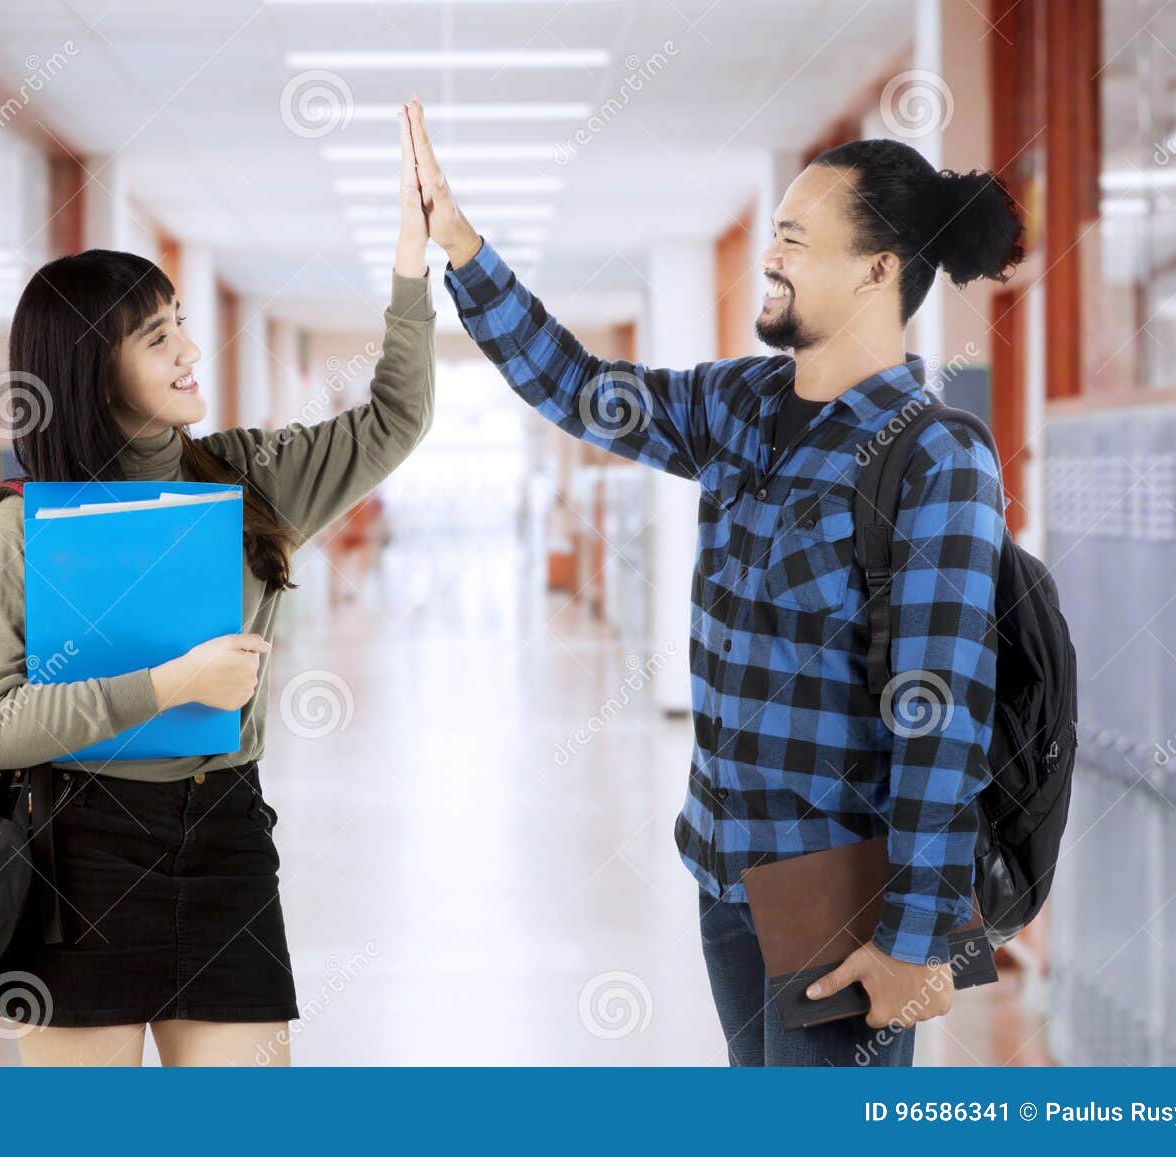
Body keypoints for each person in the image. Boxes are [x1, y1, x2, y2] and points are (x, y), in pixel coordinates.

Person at [402, 95, 1019, 1067]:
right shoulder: (736, 402)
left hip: (839, 888)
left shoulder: (935, 457)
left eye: (793, 237)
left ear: (876, 270)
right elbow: (575, 386)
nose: (770, 256)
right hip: (725, 866)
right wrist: (464, 245)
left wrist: (916, 936)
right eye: (772, 232)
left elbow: (938, 711)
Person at [0, 107, 435, 1067]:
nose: (189, 353)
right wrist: (173, 685)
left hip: (223, 838)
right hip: (71, 855)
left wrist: (412, 265)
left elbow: (394, 417)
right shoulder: (25, 525)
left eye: (181, 327)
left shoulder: (249, 476)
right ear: (95, 368)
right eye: (159, 337)